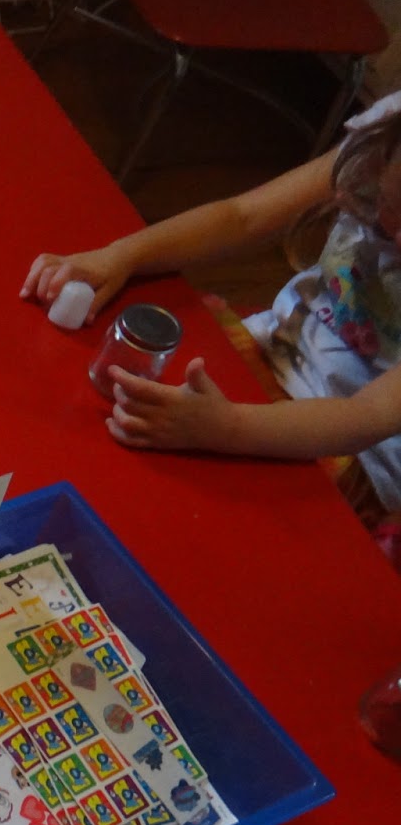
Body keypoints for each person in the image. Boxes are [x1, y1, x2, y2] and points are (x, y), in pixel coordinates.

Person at [21, 91, 401, 559]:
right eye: (391, 204)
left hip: (351, 449)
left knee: (183, 537)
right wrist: (121, 257)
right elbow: (243, 217)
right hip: (270, 349)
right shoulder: (383, 135)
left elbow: (366, 416)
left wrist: (227, 428)